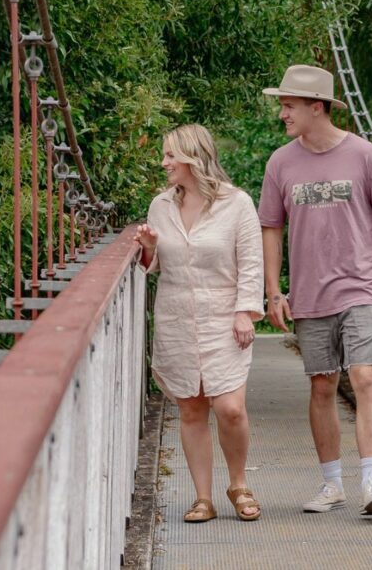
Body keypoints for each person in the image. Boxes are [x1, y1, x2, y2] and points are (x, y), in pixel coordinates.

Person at [257, 64, 372, 517]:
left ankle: (370, 483)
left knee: (365, 378)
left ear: (317, 107)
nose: (283, 113)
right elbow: (270, 227)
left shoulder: (365, 156)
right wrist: (274, 291)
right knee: (322, 386)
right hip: (310, 293)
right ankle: (332, 485)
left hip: (362, 287)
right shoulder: (280, 162)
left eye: (289, 105)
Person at [133, 124, 265, 523]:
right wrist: (150, 249)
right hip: (177, 320)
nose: (164, 162)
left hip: (224, 320)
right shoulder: (161, 206)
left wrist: (245, 311)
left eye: (171, 155)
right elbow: (152, 268)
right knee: (191, 410)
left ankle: (238, 482)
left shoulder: (237, 204)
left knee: (230, 408)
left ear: (193, 156)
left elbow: (252, 262)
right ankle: (203, 497)